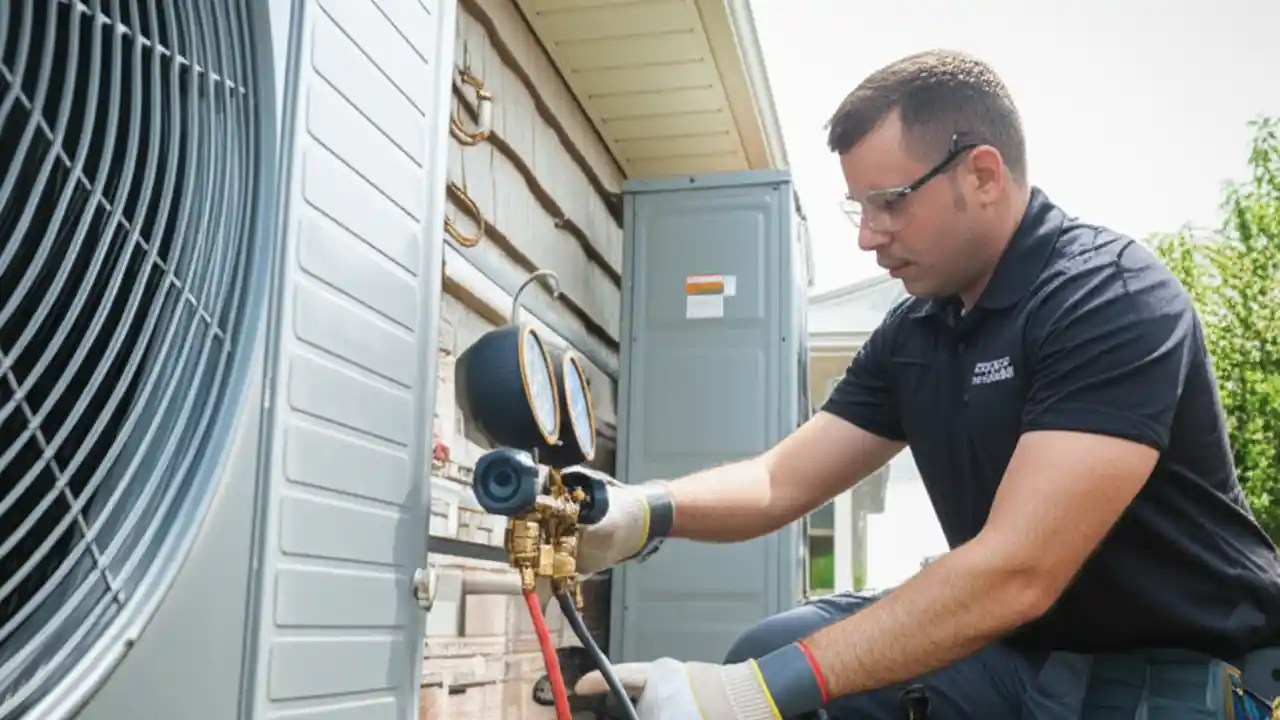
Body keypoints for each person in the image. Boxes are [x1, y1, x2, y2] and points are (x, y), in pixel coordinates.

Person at [573, 49, 1280, 719]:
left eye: (889, 202)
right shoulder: (917, 331)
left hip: (1179, 667)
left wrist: (746, 696)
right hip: (1028, 651)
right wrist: (642, 511)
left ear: (982, 174)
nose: (867, 236)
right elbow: (778, 481)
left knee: (775, 680)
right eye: (859, 208)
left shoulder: (1106, 296)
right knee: (771, 651)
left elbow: (1017, 570)